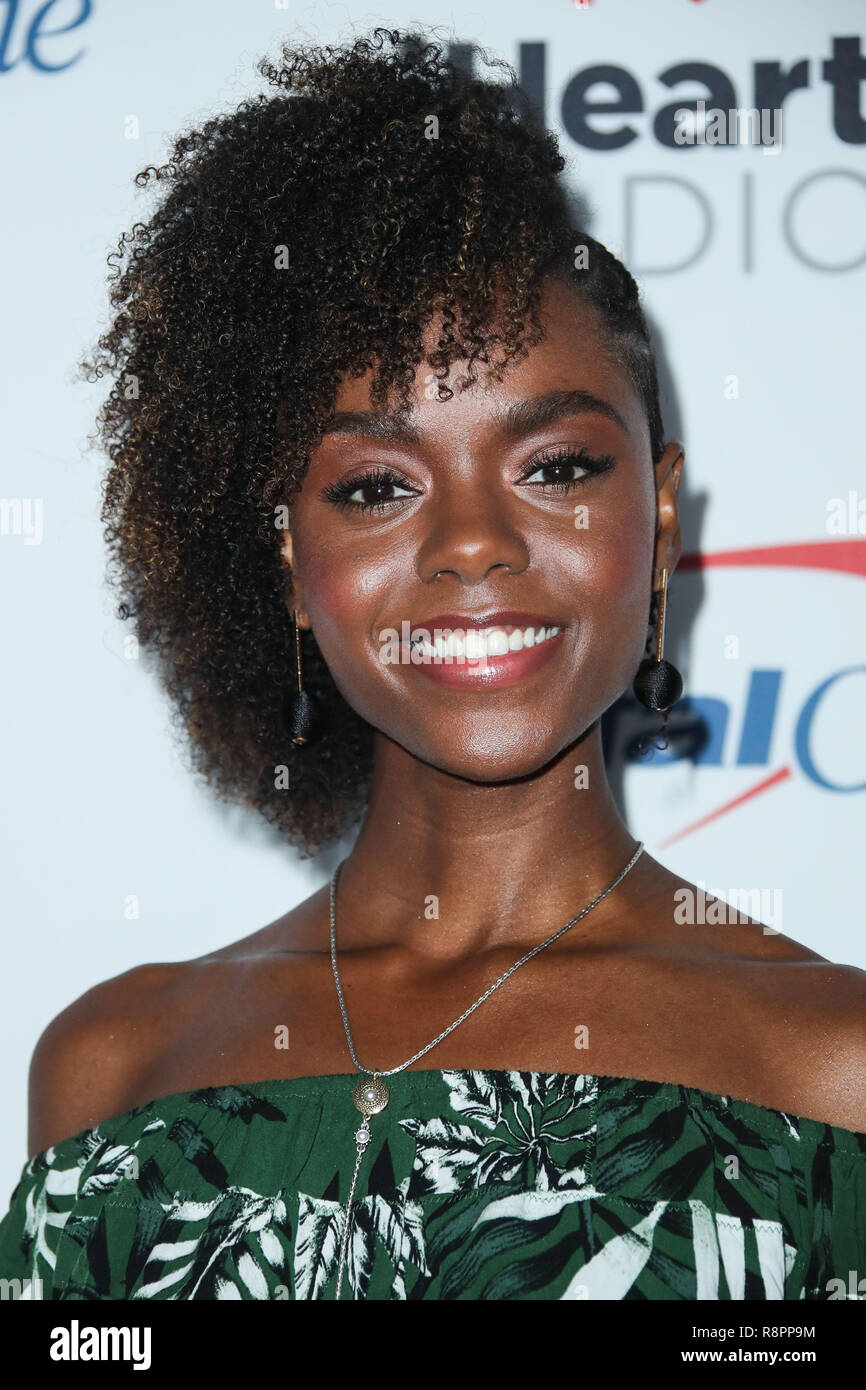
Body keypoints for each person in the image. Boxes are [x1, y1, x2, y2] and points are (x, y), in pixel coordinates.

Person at [1, 27, 864, 1302]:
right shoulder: (110, 1068)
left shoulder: (829, 1071)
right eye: (378, 485)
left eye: (554, 466)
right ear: (289, 554)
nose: (472, 543)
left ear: (662, 517)